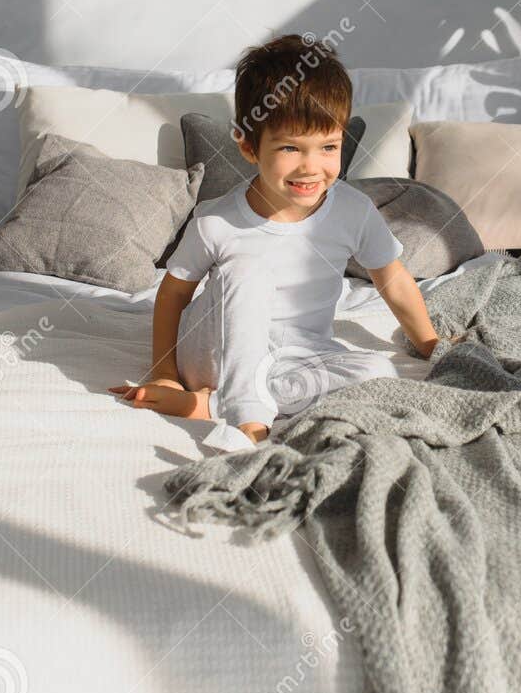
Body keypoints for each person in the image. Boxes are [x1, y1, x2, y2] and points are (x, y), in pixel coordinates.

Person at [110, 34, 441, 447]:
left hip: (295, 359)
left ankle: (210, 407)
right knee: (249, 269)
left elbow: (392, 279)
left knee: (379, 373)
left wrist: (429, 343)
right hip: (211, 354)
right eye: (290, 147)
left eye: (328, 147)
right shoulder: (218, 220)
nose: (311, 167)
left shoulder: (353, 210)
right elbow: (174, 293)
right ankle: (244, 416)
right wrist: (165, 372)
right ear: (248, 146)